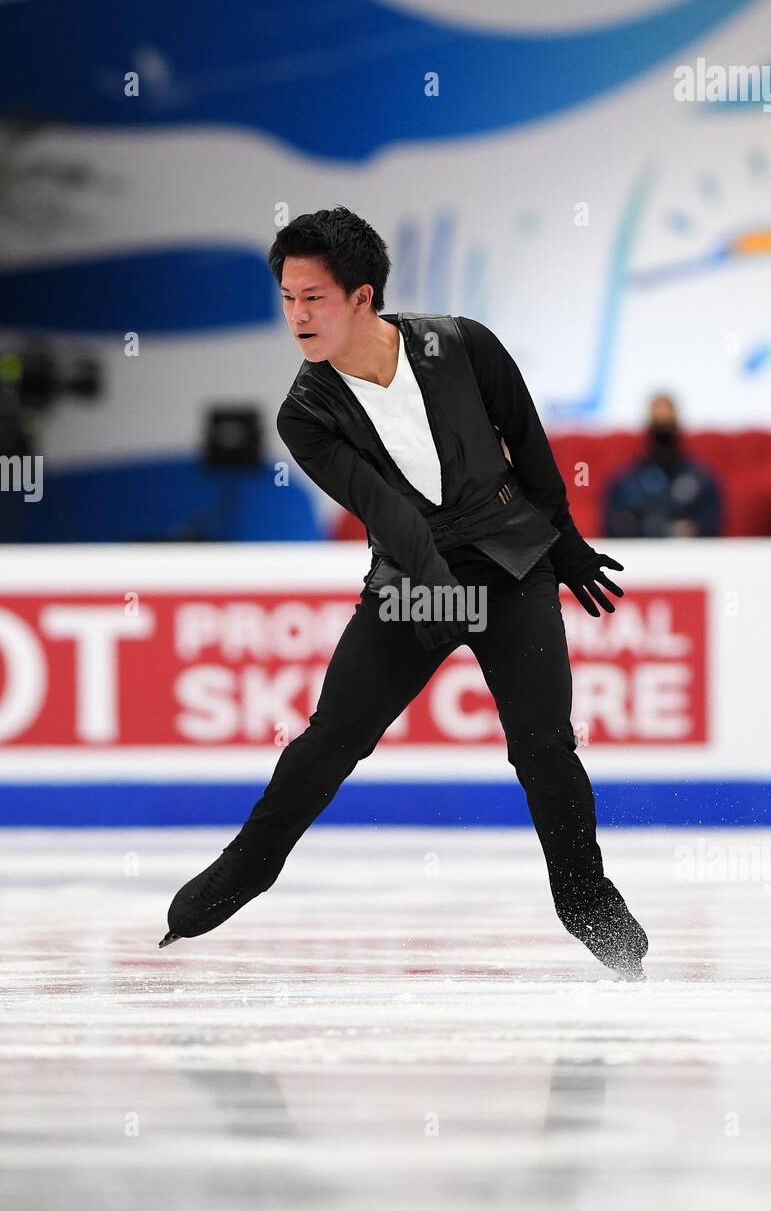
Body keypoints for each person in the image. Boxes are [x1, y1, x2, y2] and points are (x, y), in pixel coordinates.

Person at [160, 206, 648, 980]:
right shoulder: (305, 411)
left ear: (362, 297)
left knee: (543, 746)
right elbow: (384, 509)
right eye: (287, 298)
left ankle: (585, 900)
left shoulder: (461, 344)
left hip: (511, 565)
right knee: (332, 739)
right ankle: (246, 868)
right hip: (414, 583)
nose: (296, 315)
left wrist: (565, 543)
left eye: (312, 297)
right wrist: (432, 588)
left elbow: (527, 442)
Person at [603, 393, 722, 538]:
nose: (663, 432)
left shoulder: (702, 480)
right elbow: (613, 525)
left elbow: (712, 524)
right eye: (658, 425)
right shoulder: (625, 481)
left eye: (667, 424)